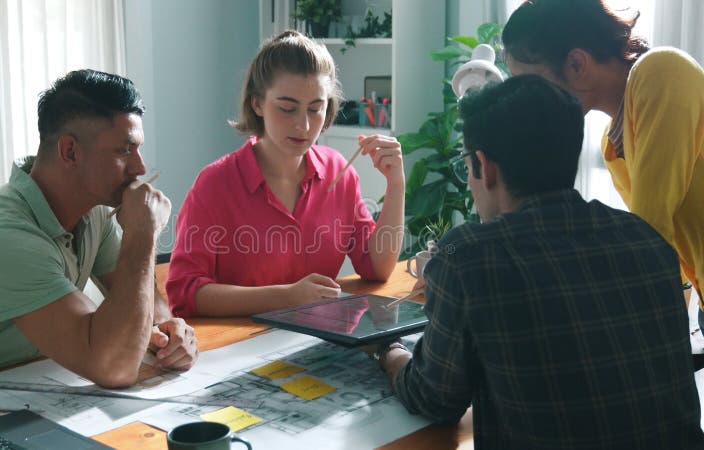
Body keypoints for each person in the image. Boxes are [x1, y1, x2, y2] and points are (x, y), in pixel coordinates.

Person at [373, 75, 704, 449]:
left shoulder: (469, 257)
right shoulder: (648, 241)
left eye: (467, 166)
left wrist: (391, 353)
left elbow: (433, 398)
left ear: (485, 165)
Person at [0, 70, 198, 387]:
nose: (140, 168)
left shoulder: (95, 213)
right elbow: (113, 366)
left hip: (24, 397)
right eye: (124, 150)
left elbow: (138, 299)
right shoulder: (3, 241)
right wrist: (142, 235)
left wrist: (170, 328)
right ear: (69, 151)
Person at [165, 30, 405, 317]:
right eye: (287, 108)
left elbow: (377, 268)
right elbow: (185, 293)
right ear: (257, 104)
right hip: (239, 346)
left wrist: (396, 182)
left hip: (317, 341)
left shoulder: (339, 173)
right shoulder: (215, 184)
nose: (303, 125)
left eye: (316, 109)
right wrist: (286, 297)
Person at [502, 0, 704, 311]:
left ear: (577, 64)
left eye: (531, 84)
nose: (529, 102)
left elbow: (648, 233)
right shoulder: (613, 143)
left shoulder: (662, 71)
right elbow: (665, 252)